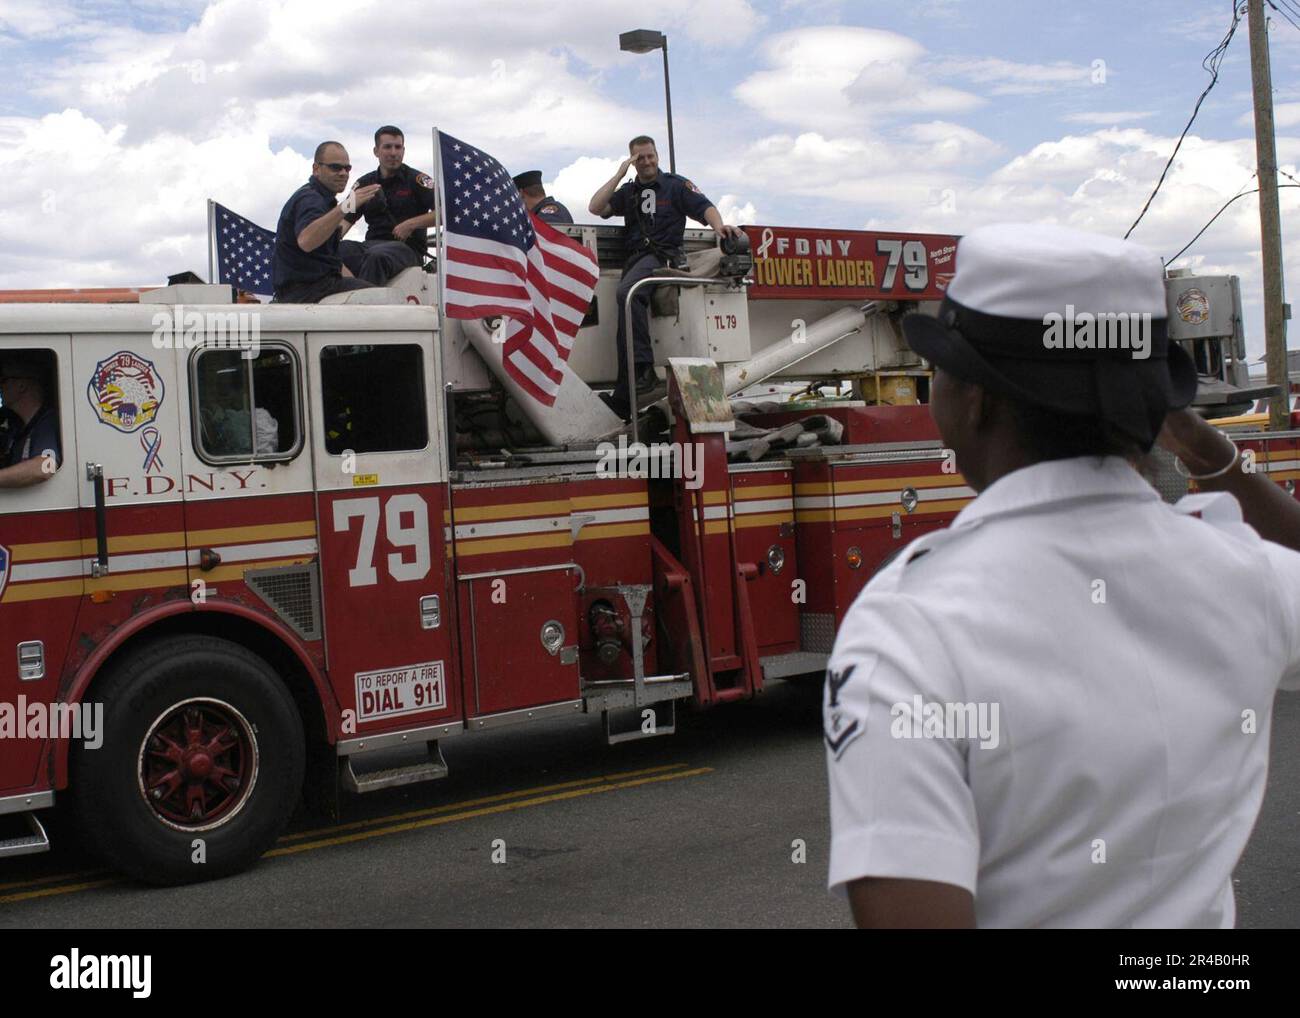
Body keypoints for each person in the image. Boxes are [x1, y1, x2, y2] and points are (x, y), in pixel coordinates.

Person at [824, 222, 1300, 929]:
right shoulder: (1247, 579)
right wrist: (1202, 445)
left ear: (975, 400)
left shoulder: (910, 629)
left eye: (941, 369)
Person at [588, 135, 743, 418]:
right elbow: (596, 208)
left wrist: (719, 227)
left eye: (650, 156)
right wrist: (620, 173)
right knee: (623, 320)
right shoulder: (629, 191)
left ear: (657, 155)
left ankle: (643, 370)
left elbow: (705, 207)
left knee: (626, 294)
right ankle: (625, 396)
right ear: (633, 160)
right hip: (634, 259)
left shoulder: (675, 185)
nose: (647, 162)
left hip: (662, 256)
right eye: (640, 158)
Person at [273, 142, 388, 303]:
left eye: (347, 168)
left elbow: (331, 261)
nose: (343, 173)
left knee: (375, 295)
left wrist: (356, 283)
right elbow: (306, 241)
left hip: (316, 287)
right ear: (316, 169)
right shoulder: (310, 199)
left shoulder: (325, 202)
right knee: (384, 300)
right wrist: (347, 206)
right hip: (306, 291)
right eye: (335, 167)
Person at [341, 125, 438, 271]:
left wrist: (411, 224)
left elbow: (445, 213)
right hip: (372, 245)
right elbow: (344, 221)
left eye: (398, 147)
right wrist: (325, 245)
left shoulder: (417, 180)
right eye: (387, 147)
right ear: (376, 151)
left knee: (377, 257)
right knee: (338, 250)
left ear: (403, 150)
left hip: (407, 250)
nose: (393, 153)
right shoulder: (364, 183)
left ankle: (367, 293)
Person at [0, 354, 61, 488]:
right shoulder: (16, 426)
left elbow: (44, 468)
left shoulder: (47, 423)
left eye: (3, 380)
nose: (0, 387)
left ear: (21, 386)